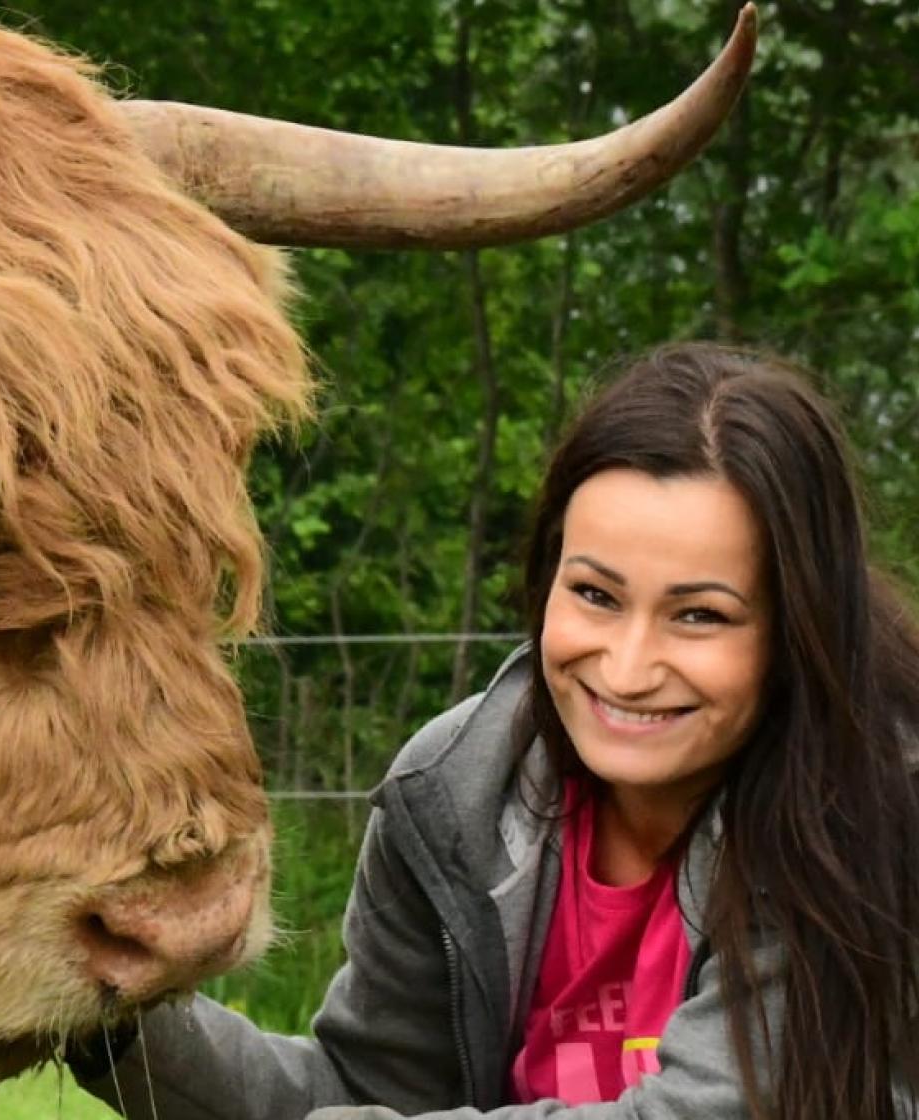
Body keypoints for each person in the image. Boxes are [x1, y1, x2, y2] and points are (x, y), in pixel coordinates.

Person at [71, 342, 919, 1119]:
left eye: (699, 615)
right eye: (595, 595)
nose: (628, 668)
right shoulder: (453, 794)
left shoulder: (872, 811)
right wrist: (103, 998)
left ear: (797, 628)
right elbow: (373, 1094)